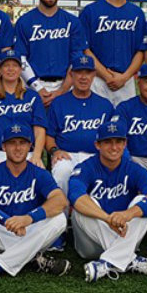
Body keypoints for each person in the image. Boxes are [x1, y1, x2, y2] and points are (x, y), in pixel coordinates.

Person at [0, 122, 71, 278]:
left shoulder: (39, 173)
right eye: (12, 143)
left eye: (22, 143)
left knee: (59, 219)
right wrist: (6, 221)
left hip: (28, 229)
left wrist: (28, 218)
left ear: (30, 146)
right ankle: (32, 258)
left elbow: (60, 200)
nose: (18, 148)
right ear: (4, 147)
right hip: (1, 232)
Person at [68, 120, 147, 282]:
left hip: (124, 234)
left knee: (142, 201)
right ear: (97, 145)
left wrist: (128, 214)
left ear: (125, 144)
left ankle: (108, 263)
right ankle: (130, 260)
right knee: (86, 205)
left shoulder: (134, 169)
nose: (114, 147)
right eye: (108, 142)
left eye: (119, 142)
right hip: (90, 243)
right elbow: (75, 197)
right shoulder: (85, 167)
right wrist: (107, 218)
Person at [14, 0, 88, 106]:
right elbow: (21, 58)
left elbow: (76, 58)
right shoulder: (24, 22)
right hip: (33, 85)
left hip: (65, 85)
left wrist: (61, 91)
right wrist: (38, 88)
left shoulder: (72, 22)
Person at [79, 0, 147, 105]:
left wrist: (125, 77)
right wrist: (106, 75)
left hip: (126, 81)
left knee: (125, 125)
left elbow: (141, 51)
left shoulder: (137, 13)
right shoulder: (91, 11)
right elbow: (84, 48)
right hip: (97, 79)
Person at [46, 55, 114, 198]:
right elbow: (49, 136)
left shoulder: (105, 105)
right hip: (67, 155)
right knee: (62, 170)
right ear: (71, 75)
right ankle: (62, 216)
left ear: (94, 75)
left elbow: (112, 138)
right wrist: (55, 151)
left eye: (88, 72)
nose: (83, 77)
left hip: (96, 156)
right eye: (79, 72)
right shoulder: (59, 103)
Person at [0, 49, 47, 169]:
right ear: (0, 69)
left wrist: (36, 155)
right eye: (6, 65)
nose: (10, 69)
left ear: (20, 69)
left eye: (15, 65)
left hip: (27, 153)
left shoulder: (32, 96)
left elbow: (39, 130)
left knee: (39, 176)